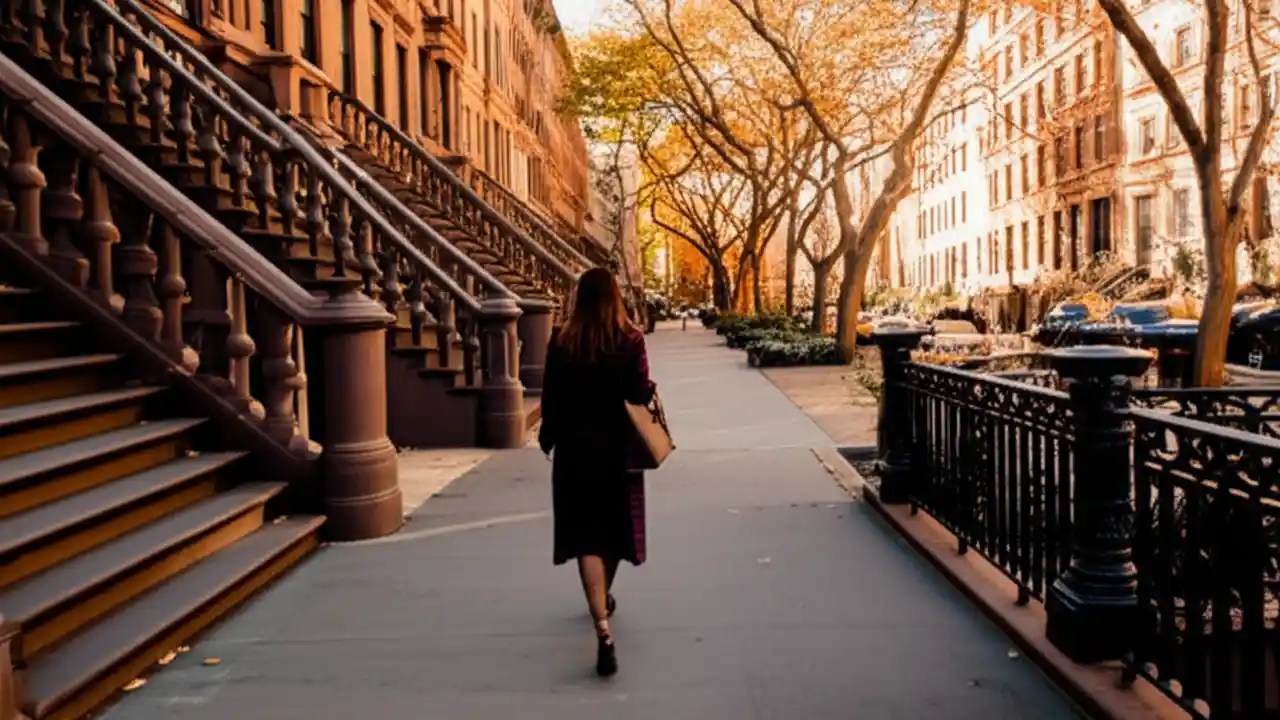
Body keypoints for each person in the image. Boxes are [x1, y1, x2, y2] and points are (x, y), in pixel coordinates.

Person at [538, 267, 657, 677]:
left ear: (579, 299)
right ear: (615, 298)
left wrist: (547, 438)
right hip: (617, 453)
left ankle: (602, 628)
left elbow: (550, 397)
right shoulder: (630, 341)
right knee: (614, 532)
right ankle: (603, 597)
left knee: (586, 537)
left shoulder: (561, 341)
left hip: (574, 453)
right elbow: (640, 392)